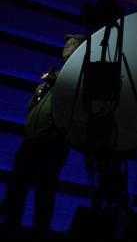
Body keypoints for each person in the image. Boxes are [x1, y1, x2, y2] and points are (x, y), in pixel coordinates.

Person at [0, 33, 85, 232]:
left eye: (71, 44)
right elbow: (32, 106)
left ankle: (40, 230)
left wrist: (54, 82)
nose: (66, 46)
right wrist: (42, 90)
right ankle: (11, 226)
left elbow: (75, 97)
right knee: (17, 187)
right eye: (66, 43)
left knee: (44, 189)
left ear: (80, 50)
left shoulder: (78, 76)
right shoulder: (55, 76)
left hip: (52, 140)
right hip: (31, 139)